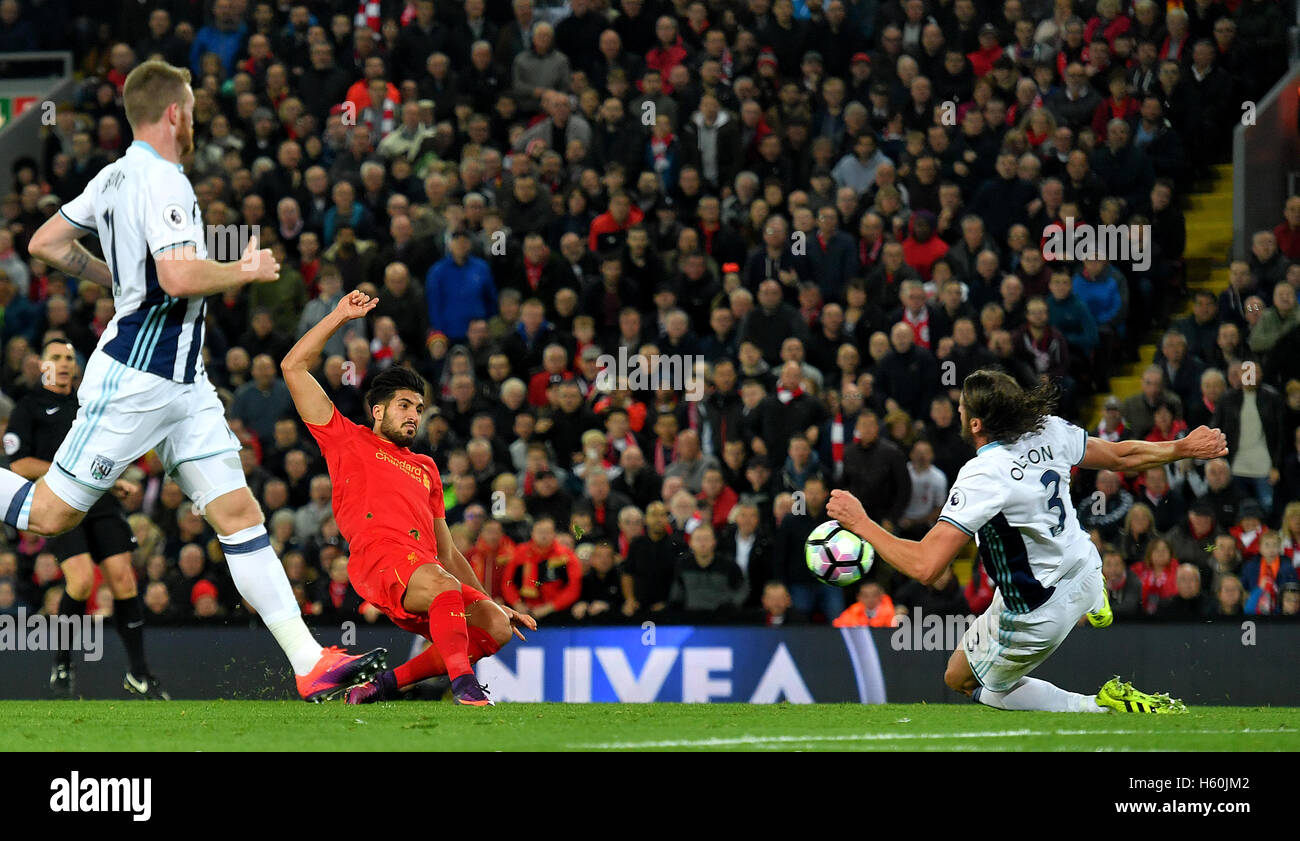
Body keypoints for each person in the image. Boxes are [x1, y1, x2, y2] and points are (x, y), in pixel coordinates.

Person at [15, 60, 384, 701]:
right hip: (136, 378)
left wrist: (119, 283)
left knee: (239, 513)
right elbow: (181, 278)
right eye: (191, 109)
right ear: (175, 114)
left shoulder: (113, 175)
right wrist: (243, 267)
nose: (195, 120)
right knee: (48, 514)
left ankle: (309, 663)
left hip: (184, 383)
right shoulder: (165, 182)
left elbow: (45, 243)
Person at [827, 369, 1227, 713]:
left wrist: (861, 522)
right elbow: (1121, 457)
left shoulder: (984, 473)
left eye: (964, 406)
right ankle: (1094, 593)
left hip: (1035, 610)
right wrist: (1182, 447)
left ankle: (1098, 706)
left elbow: (926, 568)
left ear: (977, 423)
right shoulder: (1048, 428)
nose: (959, 410)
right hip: (1083, 562)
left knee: (970, 685)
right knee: (956, 668)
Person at [281, 290, 535, 705]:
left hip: (427, 569)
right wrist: (339, 317)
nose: (413, 414)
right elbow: (292, 366)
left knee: (495, 627)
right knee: (442, 584)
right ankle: (466, 688)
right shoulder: (347, 440)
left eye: (418, 407)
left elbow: (448, 552)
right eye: (403, 405)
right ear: (378, 411)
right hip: (380, 561)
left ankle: (380, 686)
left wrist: (491, 601)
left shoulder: (426, 468)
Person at [8, 339, 168, 699]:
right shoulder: (28, 408)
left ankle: (139, 673)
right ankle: (62, 663)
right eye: (56, 358)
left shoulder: (88, 405)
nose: (64, 364)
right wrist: (72, 476)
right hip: (59, 505)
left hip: (100, 502)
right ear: (42, 364)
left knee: (124, 581)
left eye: (69, 358)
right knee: (80, 583)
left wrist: (114, 482)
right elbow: (19, 465)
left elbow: (102, 455)